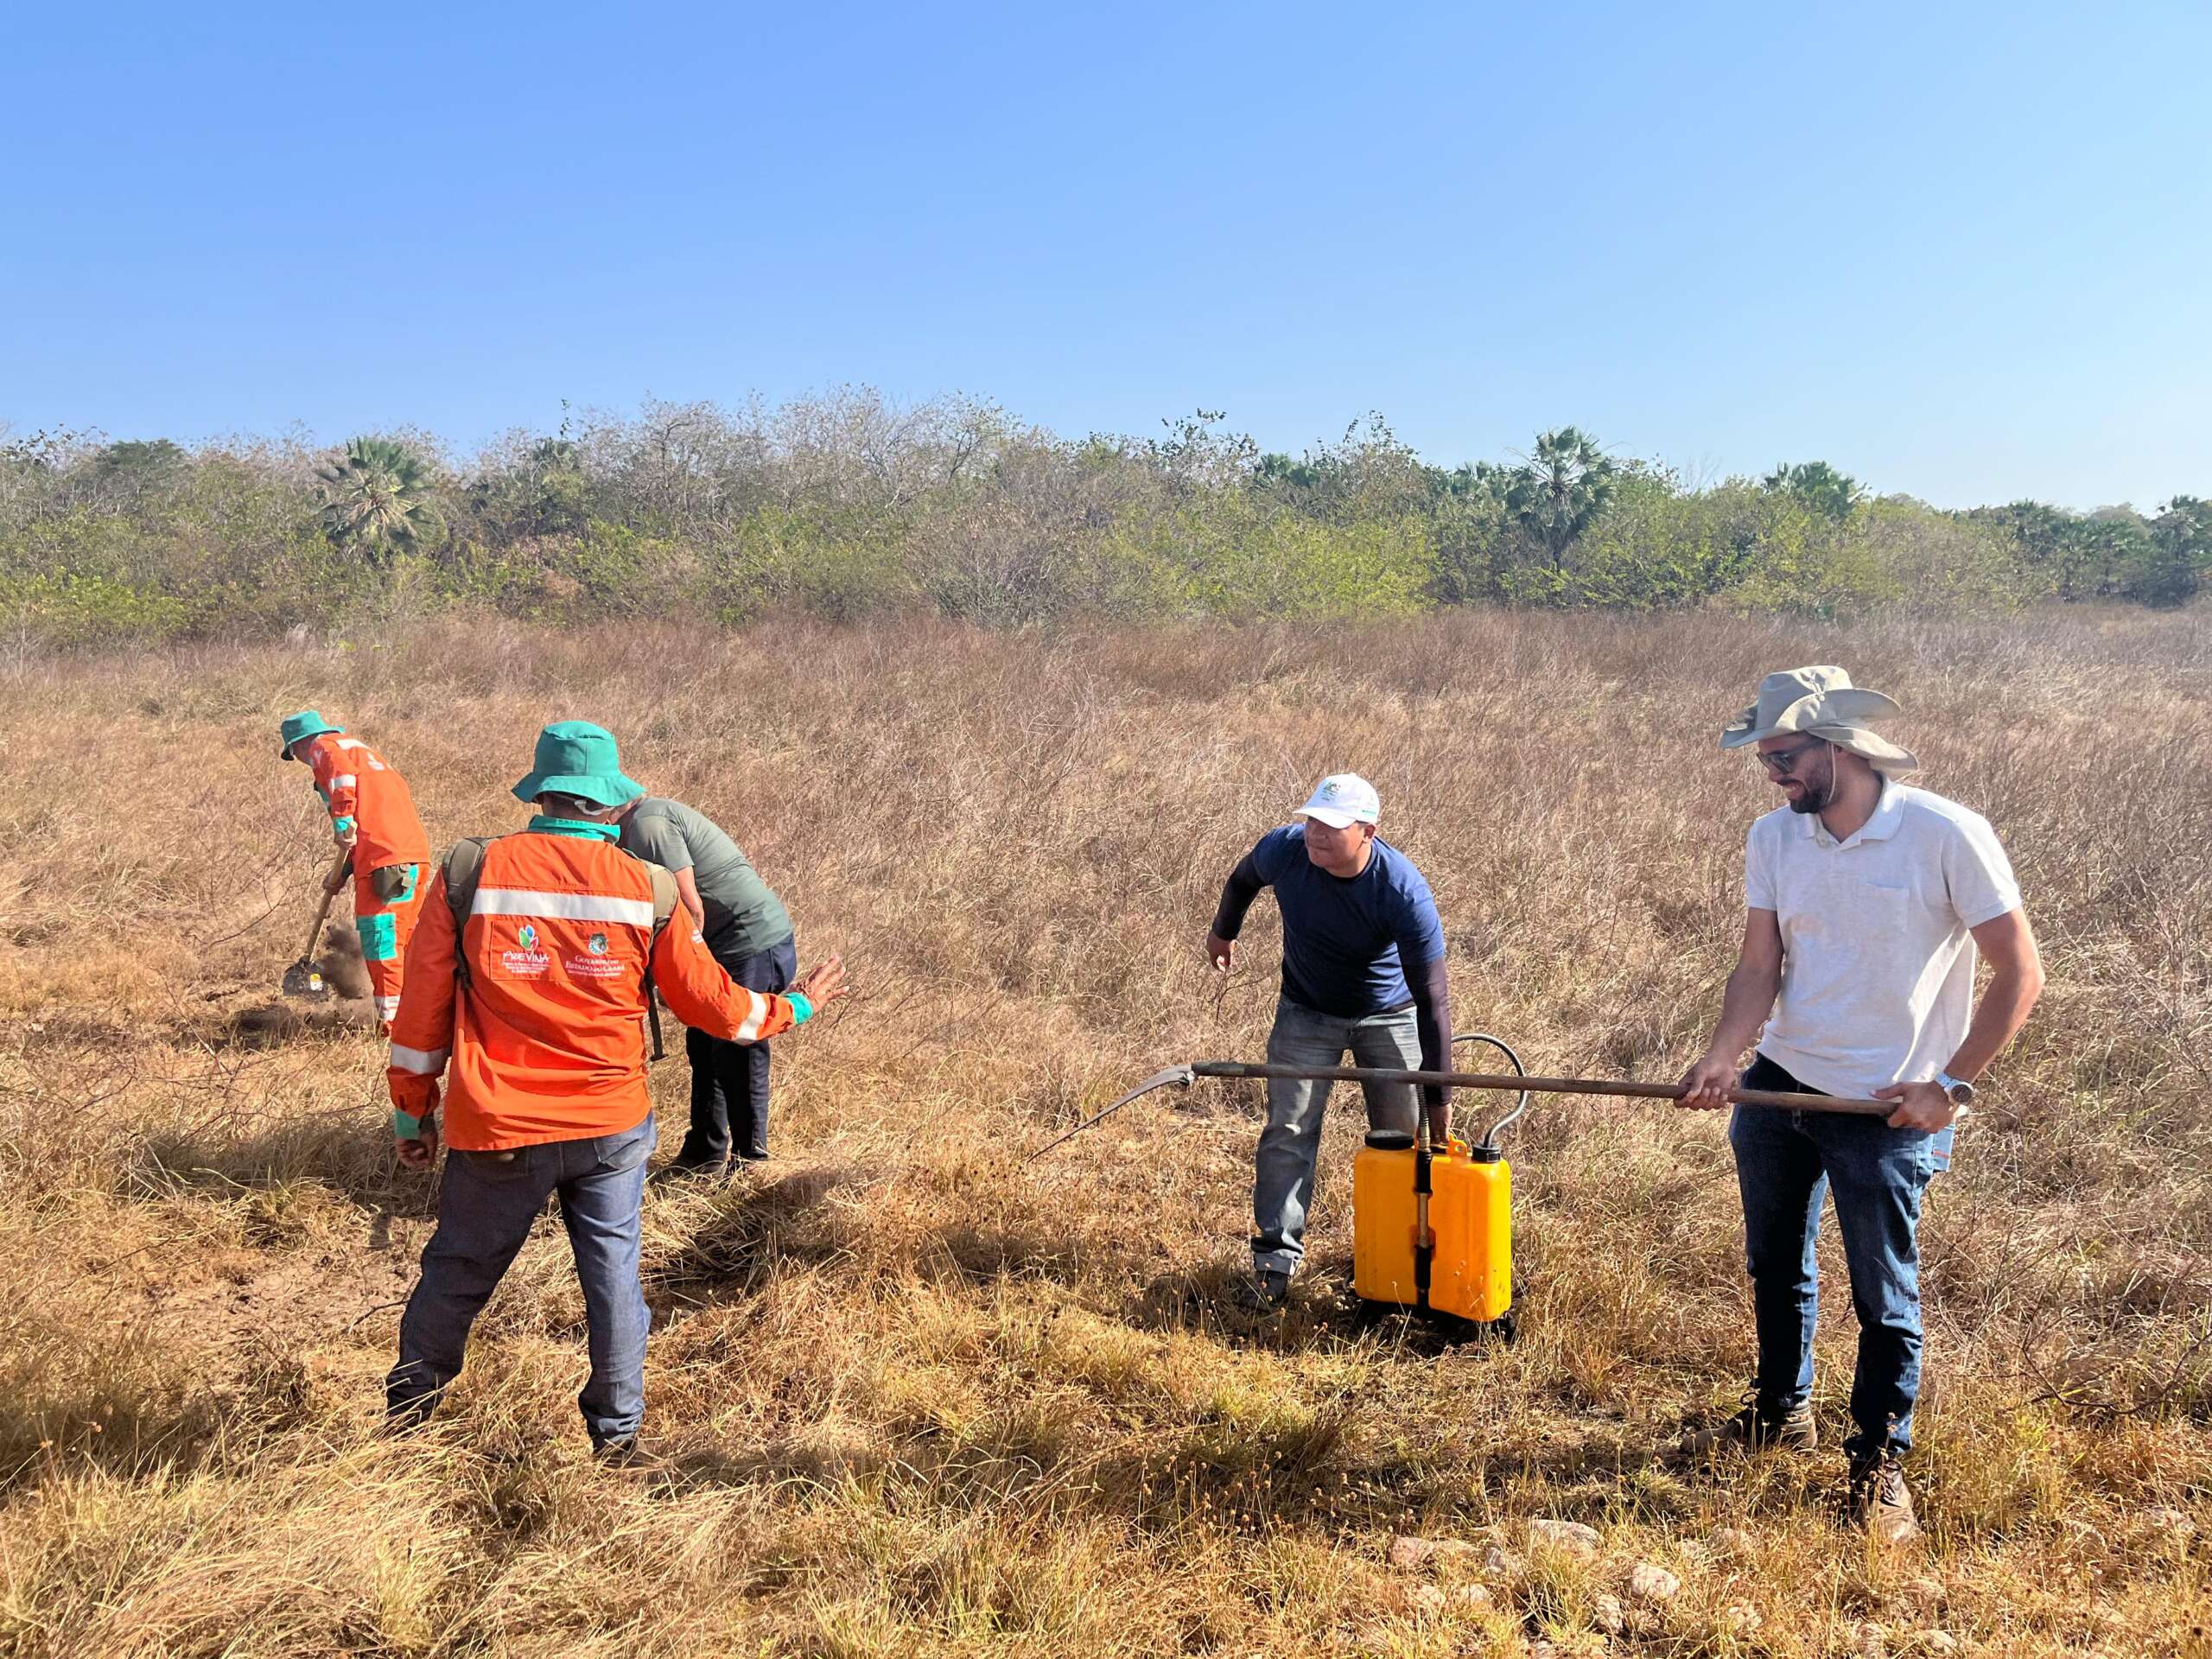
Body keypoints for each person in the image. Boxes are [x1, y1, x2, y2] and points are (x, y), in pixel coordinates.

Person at [382, 720, 849, 1458]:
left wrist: (414, 1114)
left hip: (499, 1126)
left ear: (542, 794)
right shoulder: (650, 888)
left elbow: (420, 1010)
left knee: (458, 1271)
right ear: (608, 801)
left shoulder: (470, 872)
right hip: (609, 1129)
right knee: (612, 1282)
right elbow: (719, 1010)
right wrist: (796, 1006)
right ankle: (618, 1440)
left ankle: (408, 1417)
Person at [1679, 667, 2044, 1543]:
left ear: (1841, 747)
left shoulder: (1944, 833)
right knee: (1775, 1263)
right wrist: (1724, 1057)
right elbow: (1759, 964)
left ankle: (1879, 1465)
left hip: (1884, 1107)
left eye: (1787, 756)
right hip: (1779, 1085)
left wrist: (1951, 1085)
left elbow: (2019, 972)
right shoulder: (1774, 836)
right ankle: (1781, 1410)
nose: (1774, 774)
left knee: (1884, 1297)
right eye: (1764, 759)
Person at [1206, 772, 1453, 1311]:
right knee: (1289, 1128)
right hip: (1306, 1011)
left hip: (1388, 1017)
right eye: (1312, 820)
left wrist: (1439, 1101)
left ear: (1368, 832)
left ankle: (1396, 1266)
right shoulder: (1286, 850)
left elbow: (1433, 1001)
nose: (1316, 834)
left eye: (1333, 826)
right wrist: (1224, 931)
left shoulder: (1402, 890)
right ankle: (1275, 1260)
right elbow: (1243, 879)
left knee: (1401, 1141)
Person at [616, 794, 796, 1174]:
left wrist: (680, 974)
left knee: (739, 1045)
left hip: (748, 942)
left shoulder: (648, 825)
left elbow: (690, 907)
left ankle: (750, 1164)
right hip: (720, 944)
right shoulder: (636, 826)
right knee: (704, 1046)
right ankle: (704, 1154)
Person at [278, 710, 432, 1029]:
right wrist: (342, 872)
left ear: (298, 746)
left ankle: (393, 1025)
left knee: (382, 940)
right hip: (408, 856)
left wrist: (342, 821)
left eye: (295, 755)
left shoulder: (324, 747)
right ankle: (420, 1018)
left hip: (386, 861)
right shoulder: (365, 754)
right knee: (407, 942)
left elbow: (343, 781)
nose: (303, 761)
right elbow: (371, 821)